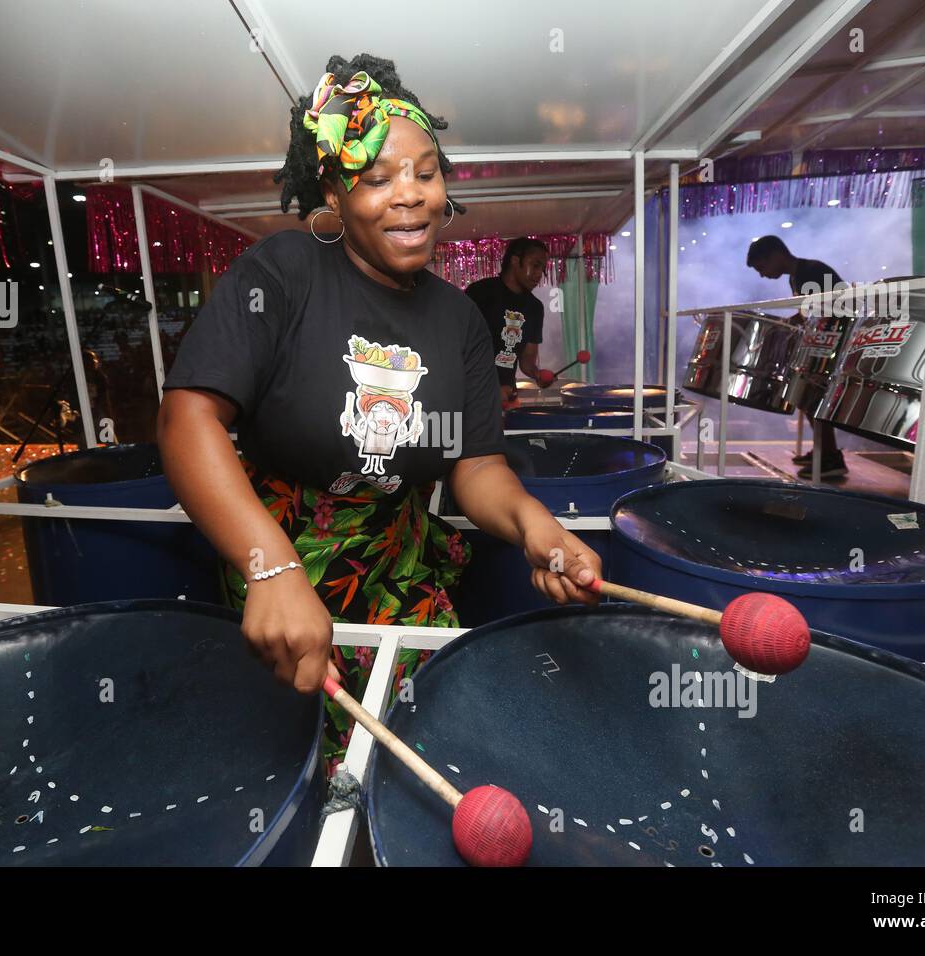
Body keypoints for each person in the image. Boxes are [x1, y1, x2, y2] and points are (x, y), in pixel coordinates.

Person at [157, 54, 601, 771]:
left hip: (400, 557)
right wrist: (271, 571)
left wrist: (534, 526)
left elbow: (476, 464)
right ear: (333, 189)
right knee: (315, 762)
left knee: (424, 744)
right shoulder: (285, 272)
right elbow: (187, 420)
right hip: (283, 552)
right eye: (378, 178)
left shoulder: (459, 320)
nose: (411, 197)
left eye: (426, 173)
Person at [746, 235, 847, 479]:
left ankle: (831, 458)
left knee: (812, 397)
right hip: (822, 340)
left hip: (832, 342)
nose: (762, 275)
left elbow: (827, 309)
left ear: (776, 255)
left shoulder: (811, 271)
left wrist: (785, 323)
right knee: (807, 398)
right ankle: (825, 450)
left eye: (762, 267)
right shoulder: (798, 275)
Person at [465, 238, 549, 404]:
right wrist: (490, 389)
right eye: (535, 265)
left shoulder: (535, 307)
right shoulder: (479, 293)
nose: (539, 274)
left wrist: (537, 374)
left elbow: (527, 361)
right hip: (473, 397)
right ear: (515, 261)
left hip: (507, 397)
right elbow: (460, 351)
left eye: (543, 268)